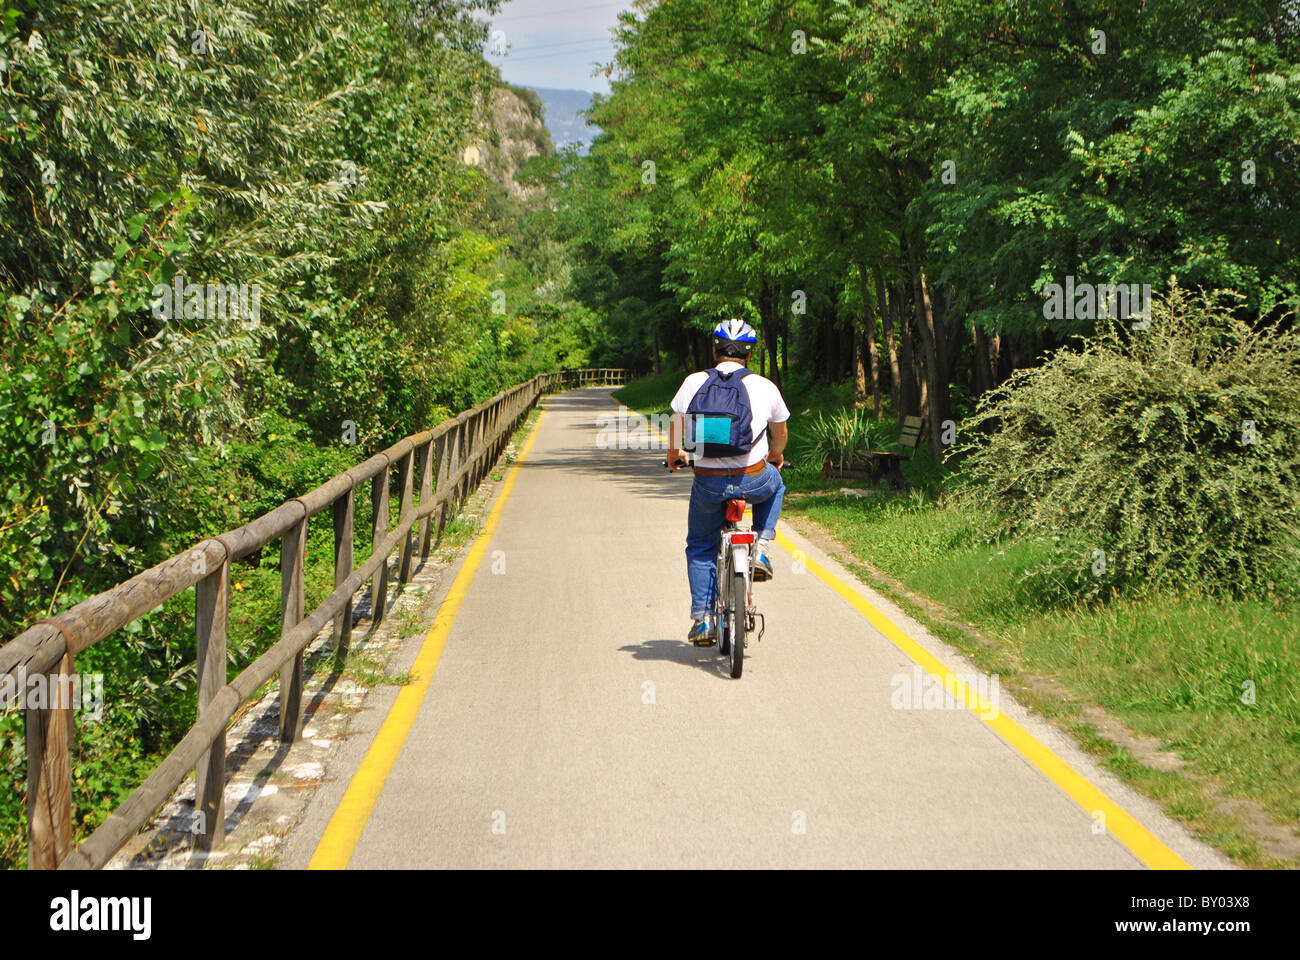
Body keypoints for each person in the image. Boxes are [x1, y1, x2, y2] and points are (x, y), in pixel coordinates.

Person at [666, 319, 790, 645]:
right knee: (775, 484)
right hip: (753, 478)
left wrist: (674, 455)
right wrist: (775, 456)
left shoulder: (694, 382)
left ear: (714, 349)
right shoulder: (764, 386)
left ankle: (703, 619)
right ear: (750, 353)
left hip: (708, 482)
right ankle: (761, 548)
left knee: (700, 546)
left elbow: (677, 428)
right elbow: (780, 434)